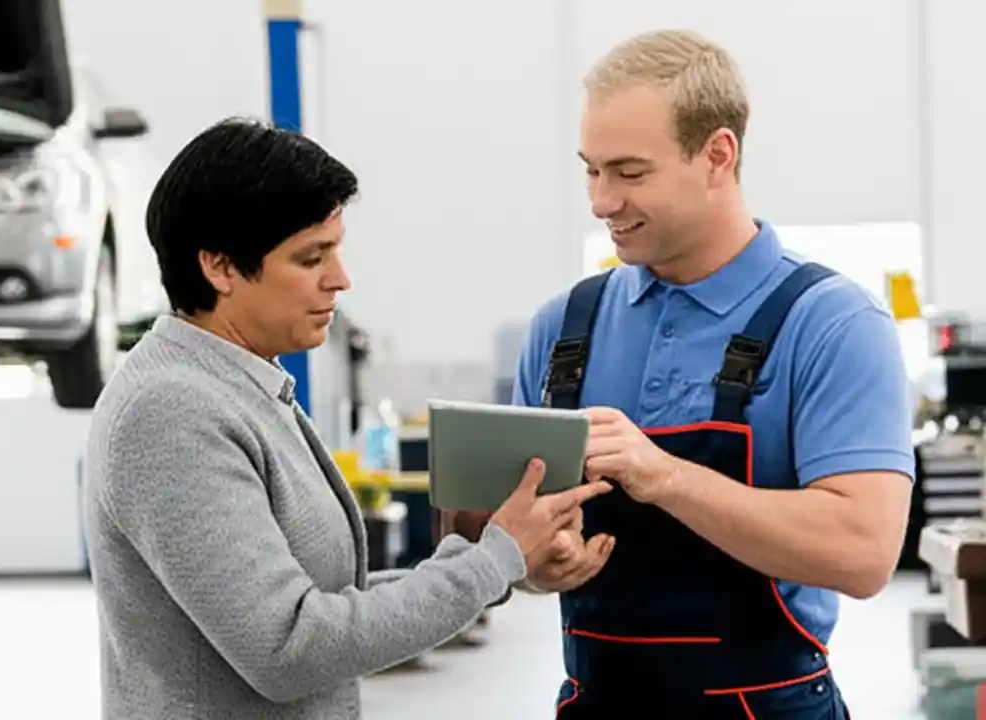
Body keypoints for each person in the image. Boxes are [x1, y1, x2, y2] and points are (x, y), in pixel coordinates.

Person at [81, 117, 611, 720]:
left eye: (336, 251)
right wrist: (492, 561)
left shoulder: (236, 384)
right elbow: (290, 646)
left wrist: (486, 558)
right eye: (311, 258)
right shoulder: (172, 411)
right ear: (220, 267)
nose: (340, 279)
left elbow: (333, 604)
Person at [510, 29, 915, 717]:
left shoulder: (833, 325)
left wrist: (664, 475)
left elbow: (863, 553)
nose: (601, 201)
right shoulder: (563, 329)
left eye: (630, 173)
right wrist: (530, 565)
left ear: (717, 156)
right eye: (591, 169)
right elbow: (495, 530)